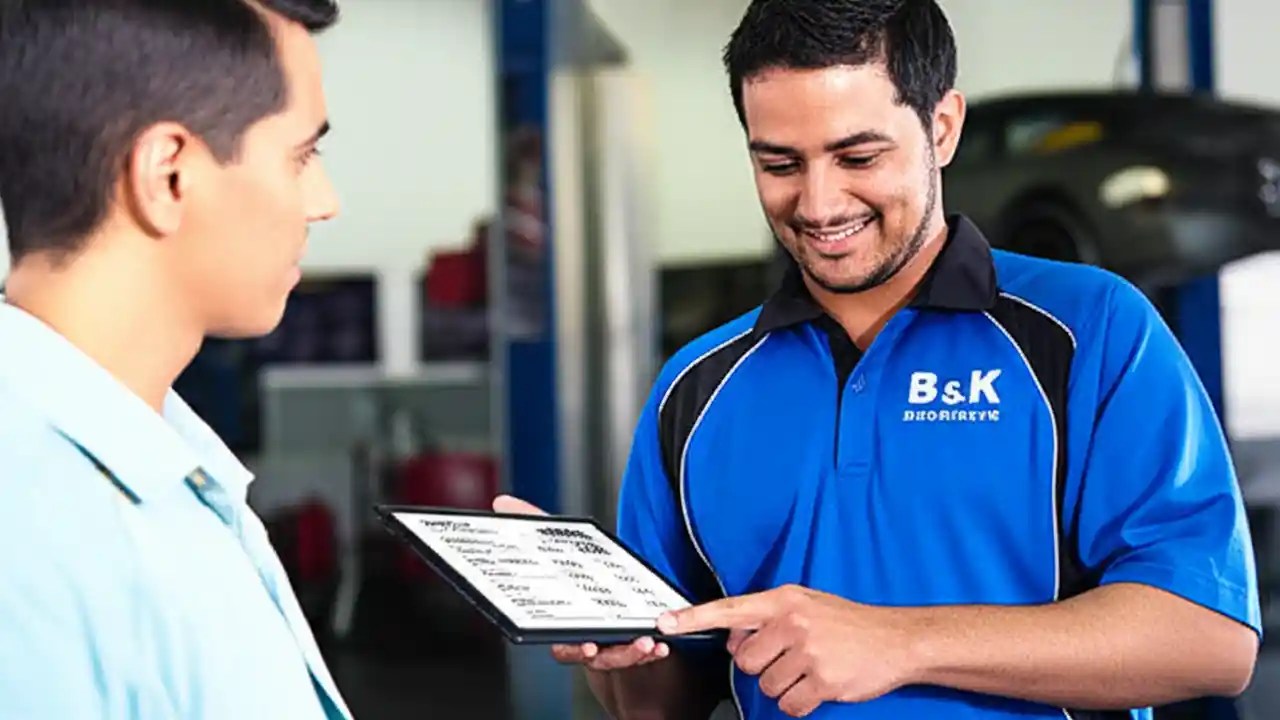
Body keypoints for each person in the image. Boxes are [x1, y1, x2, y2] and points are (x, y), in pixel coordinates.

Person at [495, 0, 1262, 718]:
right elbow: (666, 700)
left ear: (942, 128)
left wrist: (900, 642)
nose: (820, 204)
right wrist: (612, 647)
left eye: (857, 156)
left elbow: (1209, 637)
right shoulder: (696, 391)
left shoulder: (1090, 329)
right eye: (781, 164)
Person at [0, 1, 348, 718]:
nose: (324, 201)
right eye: (302, 156)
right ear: (168, 176)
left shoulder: (159, 465)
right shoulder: (32, 540)